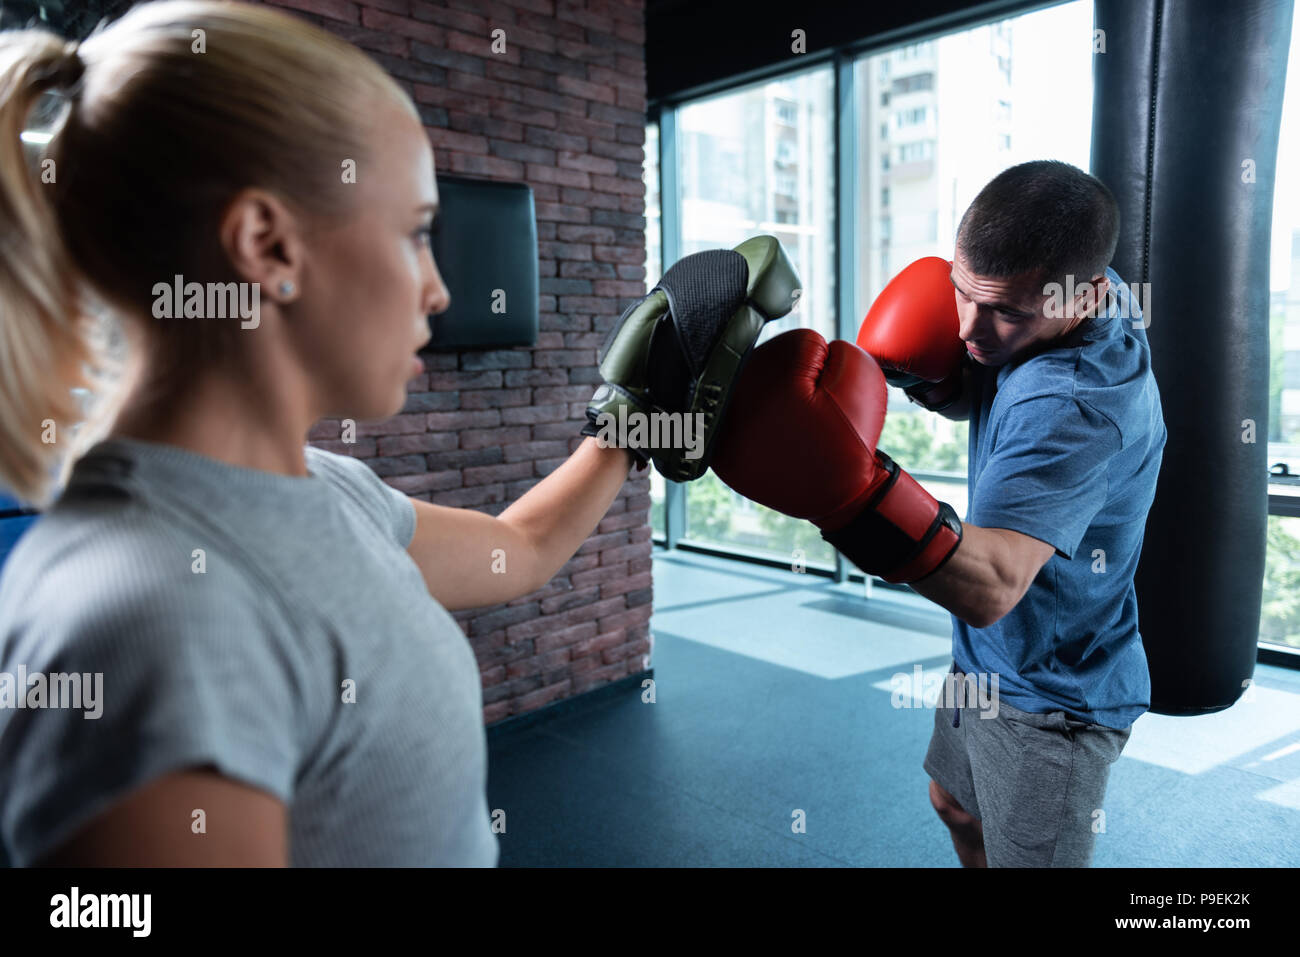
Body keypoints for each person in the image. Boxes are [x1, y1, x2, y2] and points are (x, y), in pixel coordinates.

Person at [0, 0, 755, 867]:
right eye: (415, 233)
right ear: (266, 245)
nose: (437, 289)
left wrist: (627, 414)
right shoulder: (147, 611)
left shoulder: (323, 486)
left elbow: (522, 547)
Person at [712, 160, 1167, 866]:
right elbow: (987, 384)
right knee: (954, 801)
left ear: (1082, 298)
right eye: (962, 294)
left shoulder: (1074, 403)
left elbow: (991, 587)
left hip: (1051, 692)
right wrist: (936, 379)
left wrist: (854, 496)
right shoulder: (1087, 296)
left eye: (1005, 313)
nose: (969, 329)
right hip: (988, 659)